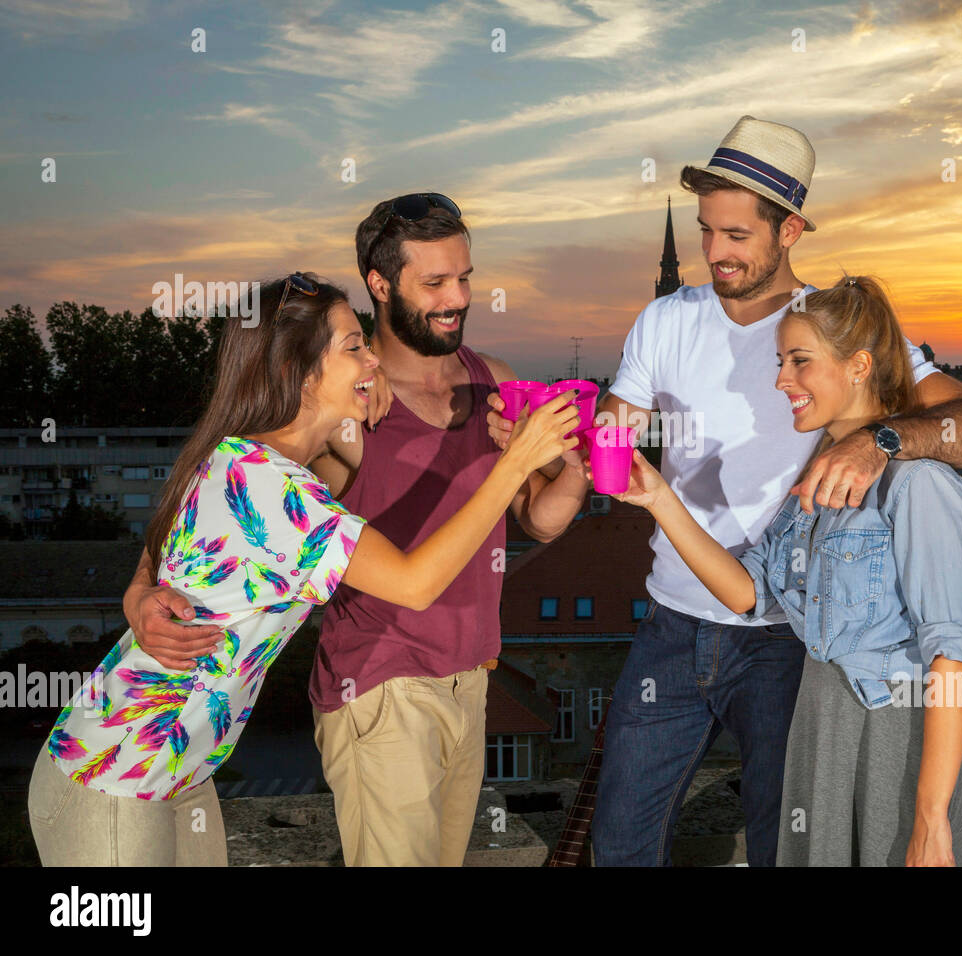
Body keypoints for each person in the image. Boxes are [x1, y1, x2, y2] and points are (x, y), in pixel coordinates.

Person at [489, 115, 962, 866]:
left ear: (790, 228)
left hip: (791, 640)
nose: (715, 253)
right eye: (706, 231)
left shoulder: (836, 328)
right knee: (619, 839)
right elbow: (600, 458)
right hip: (674, 618)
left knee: (787, 844)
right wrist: (535, 444)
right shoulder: (666, 321)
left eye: (737, 235)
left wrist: (880, 440)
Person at [29, 273, 578, 866]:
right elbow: (415, 583)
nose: (375, 360)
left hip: (182, 775)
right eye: (354, 347)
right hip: (113, 774)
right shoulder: (270, 487)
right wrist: (517, 458)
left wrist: (139, 590)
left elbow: (172, 529)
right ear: (300, 371)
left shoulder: (248, 457)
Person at [614, 275, 962, 866]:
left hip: (898, 744)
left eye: (799, 361)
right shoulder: (818, 486)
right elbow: (747, 593)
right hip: (821, 739)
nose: (781, 380)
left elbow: (954, 657)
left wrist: (931, 820)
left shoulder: (921, 484)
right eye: (780, 362)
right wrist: (659, 500)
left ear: (859, 366)